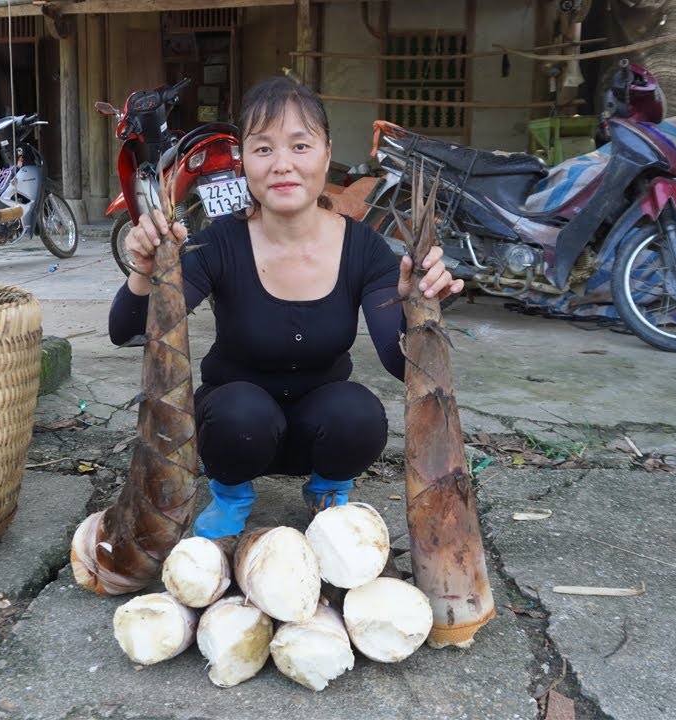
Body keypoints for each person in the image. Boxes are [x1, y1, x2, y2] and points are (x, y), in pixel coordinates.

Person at [108, 76, 463, 539]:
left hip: (319, 429)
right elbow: (127, 330)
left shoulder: (367, 250)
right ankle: (232, 494)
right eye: (262, 149)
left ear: (326, 151)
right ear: (244, 161)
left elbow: (403, 366)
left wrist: (423, 309)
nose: (282, 166)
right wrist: (144, 270)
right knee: (240, 412)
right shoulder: (217, 244)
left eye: (300, 146)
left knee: (359, 414)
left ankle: (328, 490)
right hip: (235, 431)